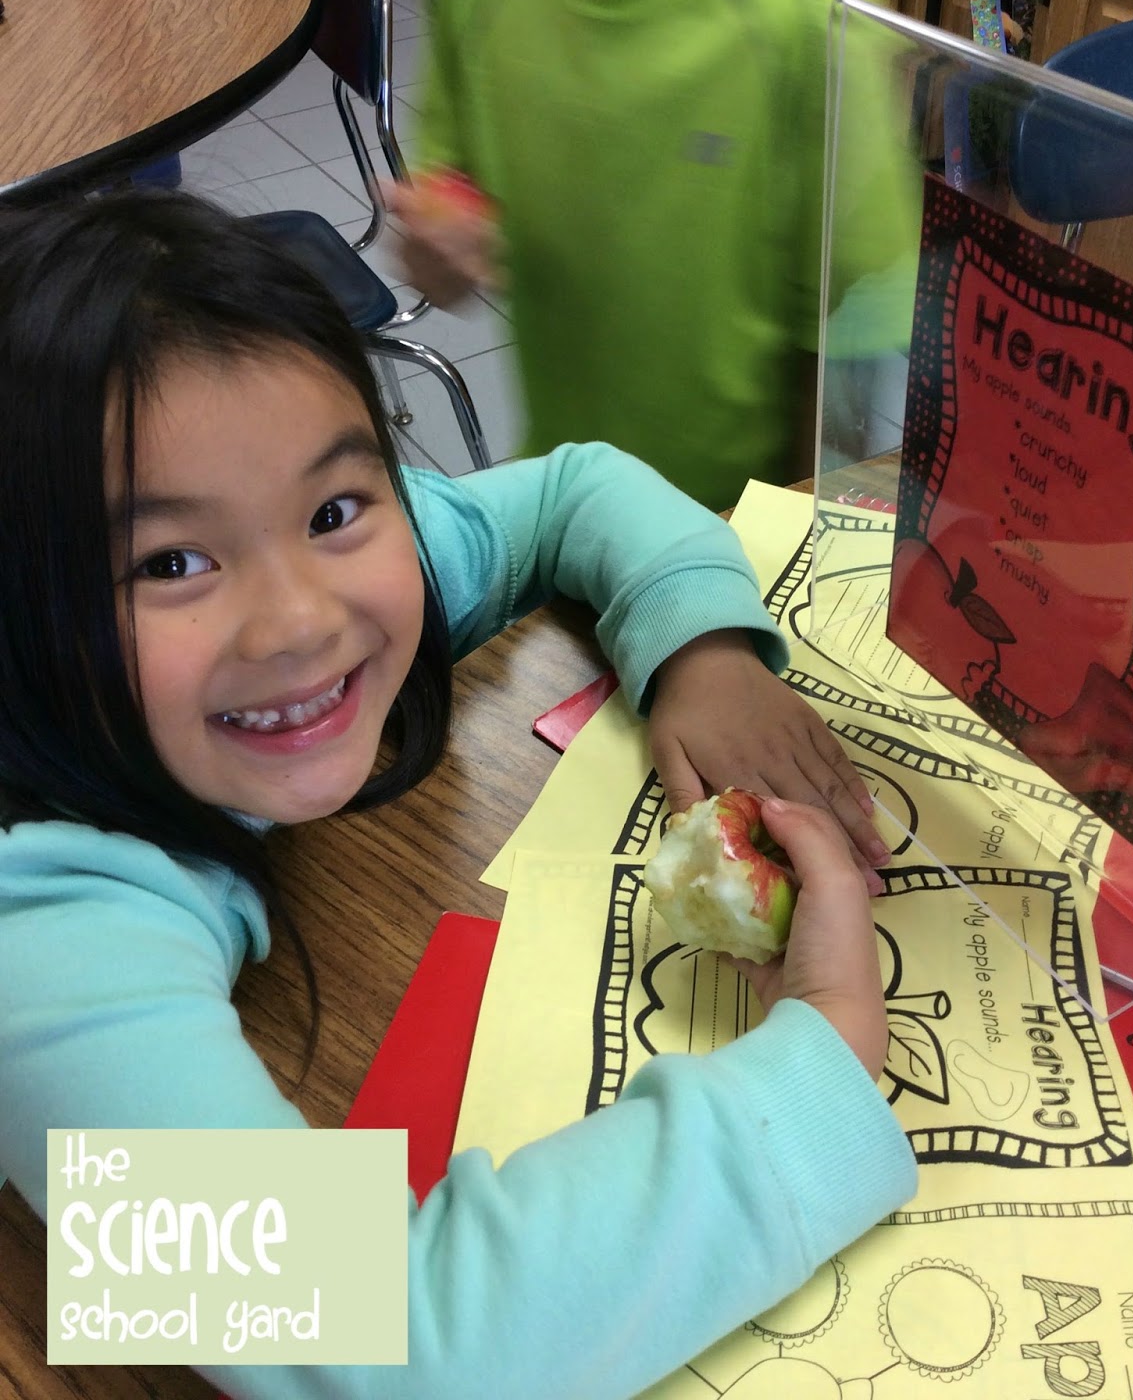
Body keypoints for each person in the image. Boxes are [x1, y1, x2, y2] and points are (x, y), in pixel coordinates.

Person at [0, 192, 916, 1400]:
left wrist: (702, 648)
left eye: (333, 507)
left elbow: (576, 486)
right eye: (170, 561)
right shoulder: (34, 941)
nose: (302, 620)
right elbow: (385, 1358)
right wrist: (827, 1060)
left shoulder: (366, 564)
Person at [389, 0, 918, 510]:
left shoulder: (812, 6)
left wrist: (785, 541)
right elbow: (456, 178)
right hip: (564, 488)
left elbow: (848, 334)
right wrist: (440, 238)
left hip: (727, 518)